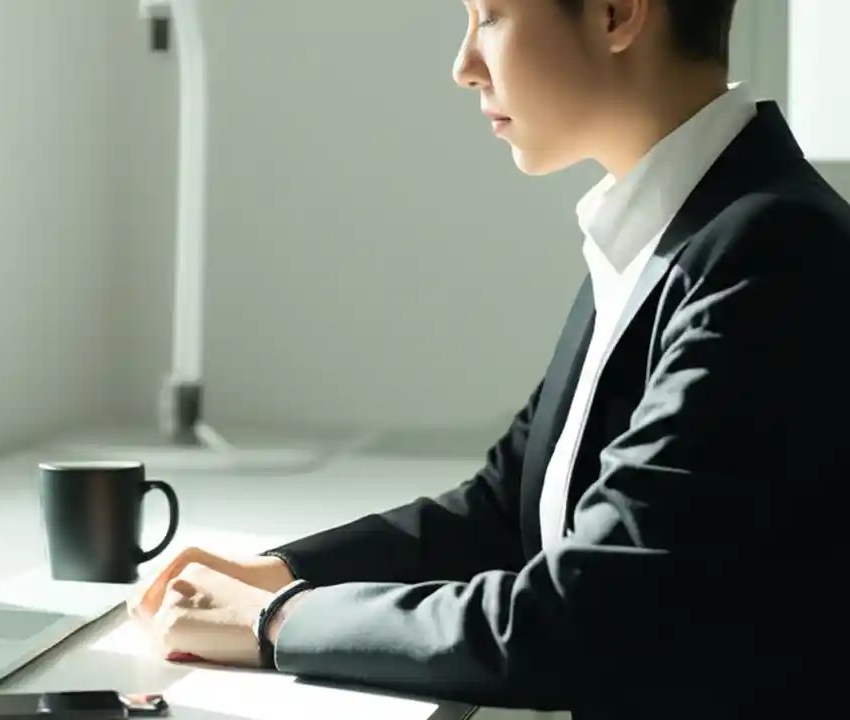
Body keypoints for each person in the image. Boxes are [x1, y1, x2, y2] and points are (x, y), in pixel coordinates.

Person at [127, 0, 850, 718]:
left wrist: (276, 621)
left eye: (492, 16)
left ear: (616, 12)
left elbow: (578, 622)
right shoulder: (667, 231)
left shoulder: (771, 250)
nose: (463, 66)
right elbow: (506, 510)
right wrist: (278, 572)